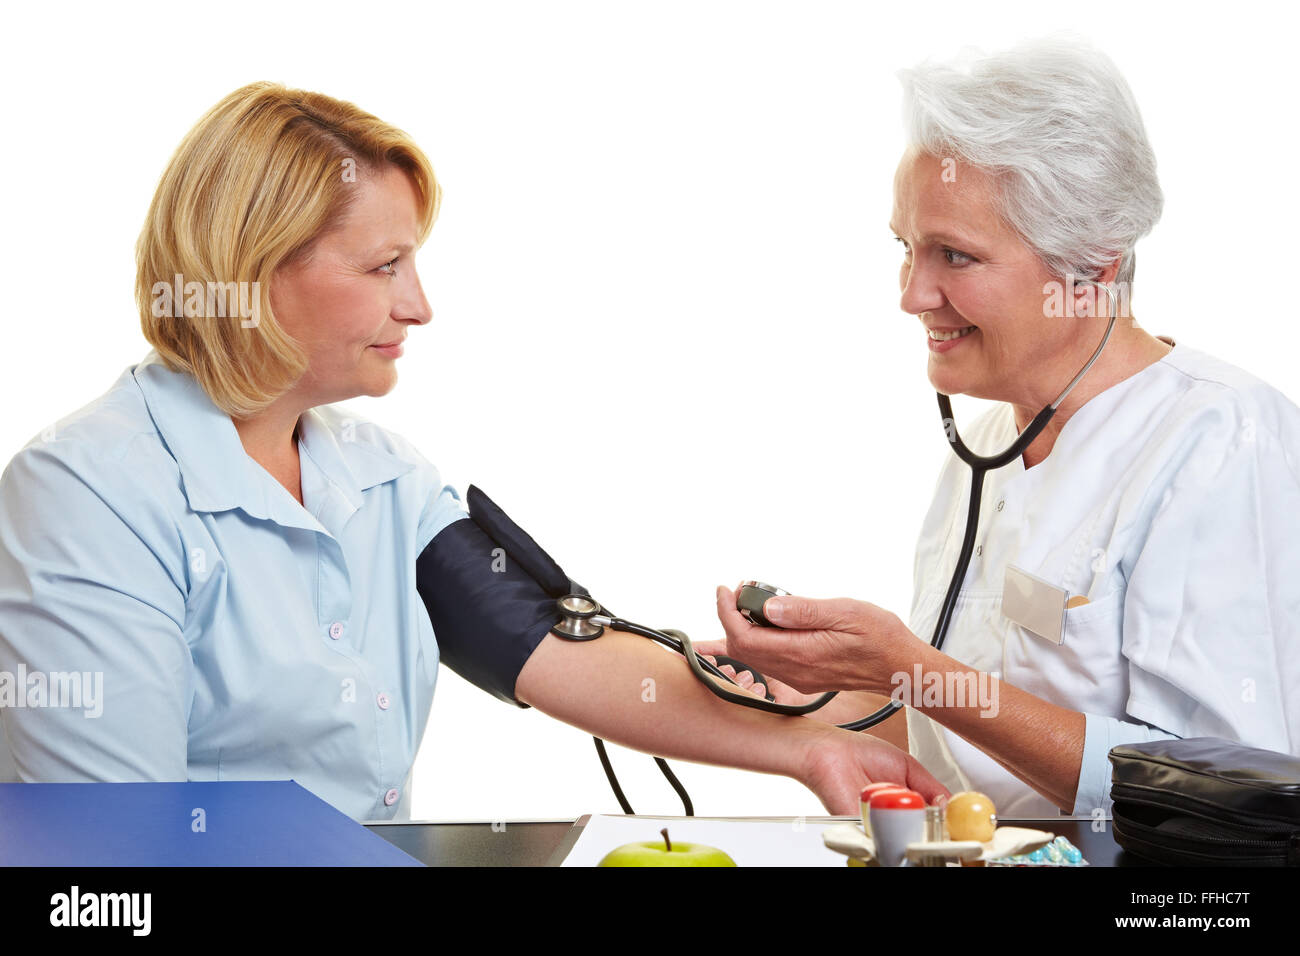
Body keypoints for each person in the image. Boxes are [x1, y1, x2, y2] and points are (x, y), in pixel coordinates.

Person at [0, 82, 946, 821]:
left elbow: (554, 648)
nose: (418, 306)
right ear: (253, 271)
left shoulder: (377, 475)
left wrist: (804, 745)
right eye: (383, 268)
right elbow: (110, 855)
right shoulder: (91, 494)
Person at [699, 36, 1300, 818]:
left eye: (954, 254)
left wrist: (913, 669)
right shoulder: (983, 450)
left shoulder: (1219, 438)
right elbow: (977, 742)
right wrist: (814, 694)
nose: (914, 295)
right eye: (906, 249)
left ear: (1094, 262)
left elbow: (1224, 793)